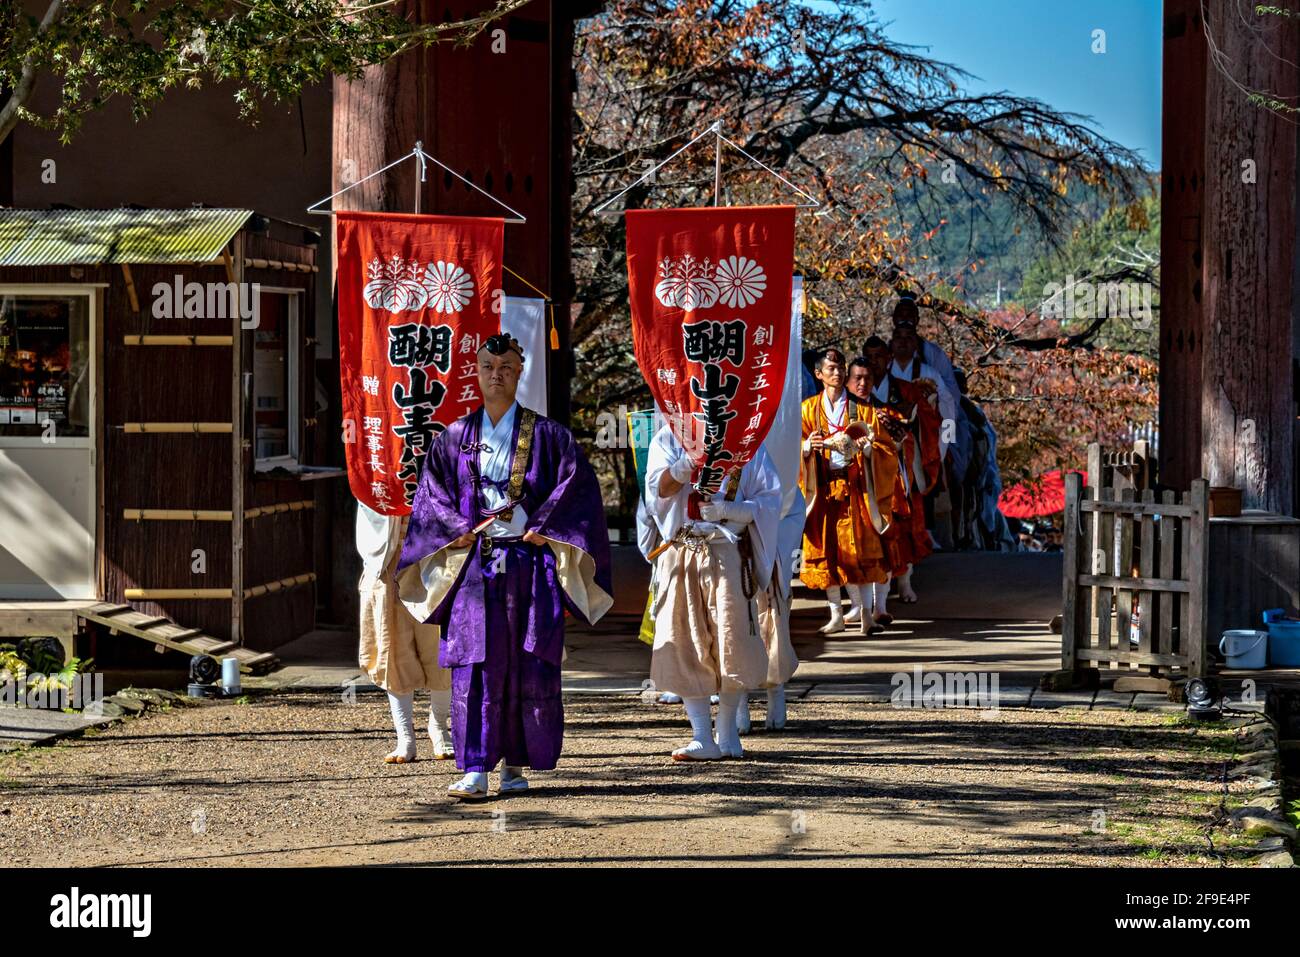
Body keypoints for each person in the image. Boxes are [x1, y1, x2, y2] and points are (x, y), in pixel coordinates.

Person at [395, 334, 613, 799]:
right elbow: (431, 496)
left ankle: (515, 765)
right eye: (489, 365)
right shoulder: (453, 438)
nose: (497, 373)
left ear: (520, 371)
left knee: (529, 660)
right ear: (476, 371)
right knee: (475, 664)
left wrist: (544, 524)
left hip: (530, 563)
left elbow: (577, 487)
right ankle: (474, 766)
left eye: (507, 366)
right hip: (477, 566)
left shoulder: (550, 436)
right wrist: (458, 526)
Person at [645, 424, 781, 760]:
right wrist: (684, 465)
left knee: (733, 639)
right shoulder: (668, 436)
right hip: (683, 547)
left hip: (727, 548)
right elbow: (656, 491)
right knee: (683, 640)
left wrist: (728, 511)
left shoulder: (748, 437)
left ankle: (727, 729)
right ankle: (701, 734)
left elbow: (769, 500)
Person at [800, 348, 897, 634]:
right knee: (825, 551)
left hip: (856, 489)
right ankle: (836, 614)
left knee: (862, 551)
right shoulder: (808, 409)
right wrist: (806, 449)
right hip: (822, 489)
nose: (838, 372)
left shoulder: (863, 409)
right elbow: (795, 444)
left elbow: (885, 448)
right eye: (830, 368)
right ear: (818, 374)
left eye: (841, 367)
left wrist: (868, 450)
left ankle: (866, 614)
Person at [357, 502, 453, 764]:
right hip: (386, 561)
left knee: (440, 648)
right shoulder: (376, 464)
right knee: (392, 650)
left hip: (431, 557)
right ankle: (405, 737)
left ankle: (439, 726)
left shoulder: (435, 461)